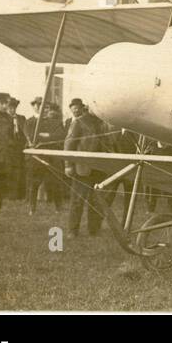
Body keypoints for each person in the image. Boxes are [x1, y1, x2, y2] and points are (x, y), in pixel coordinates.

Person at [64, 98, 110, 239]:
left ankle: (94, 230)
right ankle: (73, 230)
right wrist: (68, 165)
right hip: (82, 169)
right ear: (90, 106)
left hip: (99, 169)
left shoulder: (103, 123)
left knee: (97, 200)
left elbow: (108, 145)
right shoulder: (79, 121)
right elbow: (68, 144)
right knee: (77, 200)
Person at [24, 101, 67, 215]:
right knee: (34, 183)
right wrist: (45, 137)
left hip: (52, 155)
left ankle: (58, 207)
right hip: (37, 156)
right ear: (33, 107)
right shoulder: (29, 122)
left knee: (56, 182)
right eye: (38, 106)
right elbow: (32, 137)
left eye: (46, 107)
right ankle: (32, 208)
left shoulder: (56, 122)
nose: (43, 109)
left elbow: (61, 136)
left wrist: (47, 136)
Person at [6, 97, 27, 200]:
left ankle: (20, 194)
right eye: (10, 107)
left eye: (13, 107)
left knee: (20, 170)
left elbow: (26, 132)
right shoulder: (4, 119)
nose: (12, 110)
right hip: (8, 148)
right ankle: (10, 194)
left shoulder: (22, 118)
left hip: (20, 148)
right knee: (10, 171)